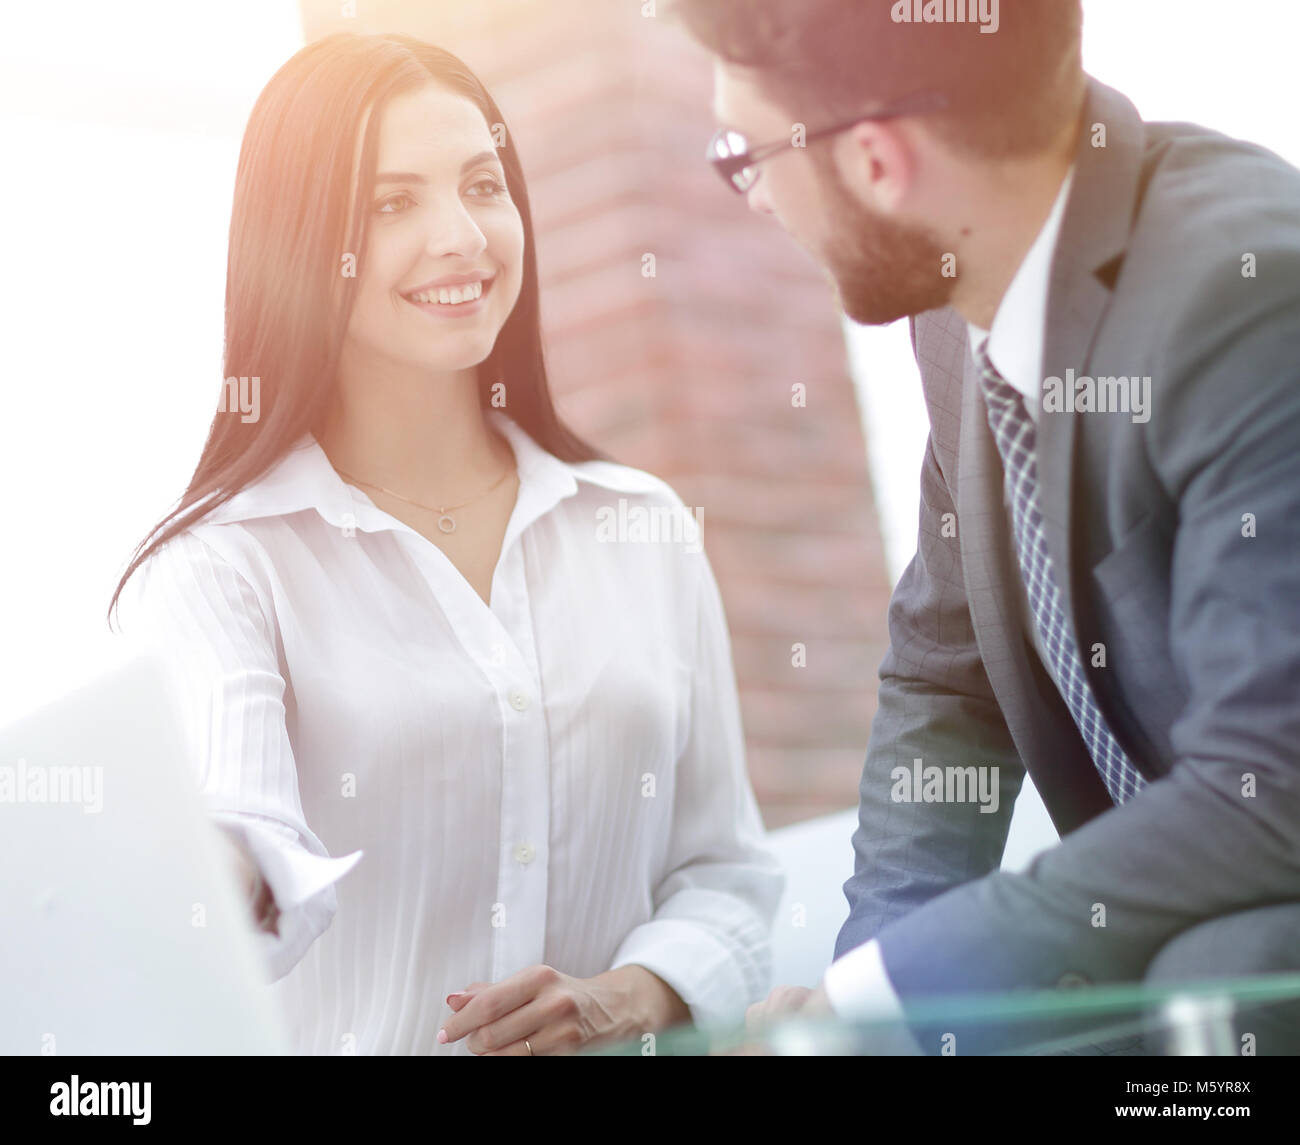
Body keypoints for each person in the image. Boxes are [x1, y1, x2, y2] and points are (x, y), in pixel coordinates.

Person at [111, 31, 782, 1057]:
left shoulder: (638, 526)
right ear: (299, 242)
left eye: (483, 184)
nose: (462, 234)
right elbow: (243, 827)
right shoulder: (221, 567)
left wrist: (624, 995)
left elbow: (726, 873)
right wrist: (212, 869)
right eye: (392, 203)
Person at [673, 0, 1300, 1052]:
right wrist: (875, 985)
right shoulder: (959, 309)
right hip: (1195, 904)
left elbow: (1272, 781)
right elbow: (946, 676)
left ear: (875, 163)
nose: (757, 202)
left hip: (1250, 915)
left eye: (744, 152)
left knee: (1218, 985)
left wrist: (888, 994)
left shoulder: (1238, 294)